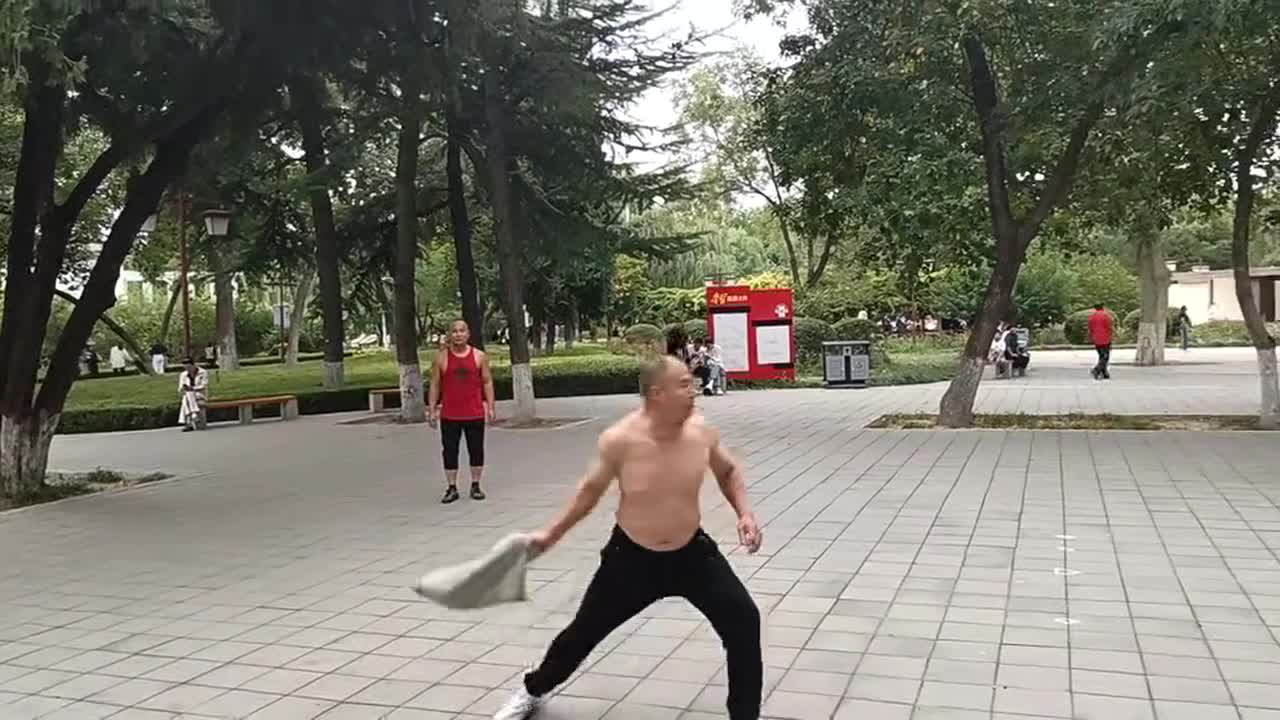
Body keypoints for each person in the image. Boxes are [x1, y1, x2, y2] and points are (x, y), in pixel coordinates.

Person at [492, 355, 764, 720]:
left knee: (744, 620)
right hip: (631, 559)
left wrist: (744, 513)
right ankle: (532, 689)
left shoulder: (701, 432)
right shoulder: (621, 440)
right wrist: (551, 534)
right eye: (683, 384)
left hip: (692, 555)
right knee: (582, 633)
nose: (693, 389)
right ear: (657, 394)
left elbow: (728, 471)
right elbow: (589, 492)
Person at [428, 319, 497, 504]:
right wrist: (432, 408)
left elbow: (487, 382)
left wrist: (490, 406)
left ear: (468, 334)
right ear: (450, 335)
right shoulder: (441, 358)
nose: (458, 334)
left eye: (461, 331)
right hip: (450, 415)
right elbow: (435, 384)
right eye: (454, 331)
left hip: (474, 413)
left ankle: (475, 485)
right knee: (450, 451)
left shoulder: (479, 356)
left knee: (476, 450)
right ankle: (452, 488)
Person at [178, 357, 208, 432]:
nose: (188, 369)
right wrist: (183, 389)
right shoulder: (183, 375)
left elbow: (204, 385)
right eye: (185, 368)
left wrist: (193, 388)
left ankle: (188, 423)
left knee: (186, 398)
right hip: (188, 395)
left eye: (189, 367)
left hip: (200, 394)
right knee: (187, 396)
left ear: (193, 365)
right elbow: (180, 387)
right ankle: (194, 414)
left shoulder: (203, 372)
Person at [1088, 304, 1113, 380]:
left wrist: (1090, 337)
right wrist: (1112, 335)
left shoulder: (1092, 317)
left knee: (1101, 355)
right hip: (1105, 339)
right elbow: (1109, 326)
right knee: (1105, 357)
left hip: (1096, 339)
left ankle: (1104, 373)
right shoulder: (1106, 315)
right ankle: (1096, 370)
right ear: (1103, 308)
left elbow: (1090, 328)